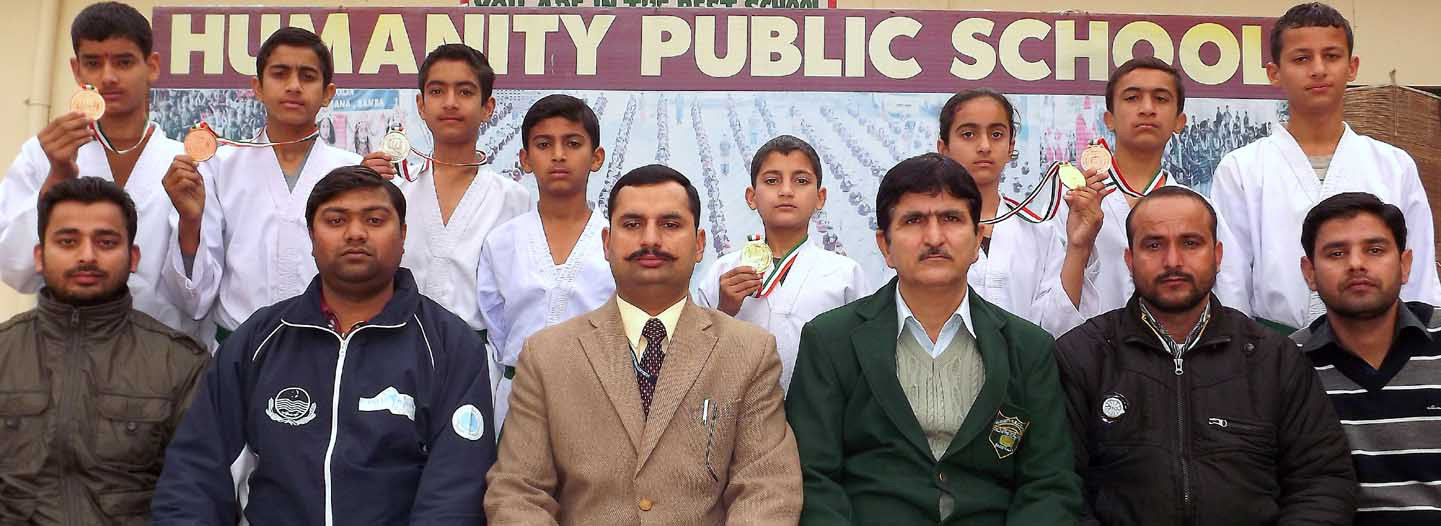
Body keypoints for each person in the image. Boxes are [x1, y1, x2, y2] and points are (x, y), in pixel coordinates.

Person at [152, 166, 495, 525]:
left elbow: (455, 490)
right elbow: (195, 471)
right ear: (312, 237)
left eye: (375, 220)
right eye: (336, 221)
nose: (356, 233)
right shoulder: (260, 339)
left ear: (403, 235)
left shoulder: (449, 345)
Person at [485, 165, 801, 525]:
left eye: (670, 224)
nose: (651, 240)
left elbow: (767, 489)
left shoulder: (749, 352)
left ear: (699, 244)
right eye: (632, 224)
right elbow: (518, 492)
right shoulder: (547, 356)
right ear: (606, 243)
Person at [786, 153, 1081, 524]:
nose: (934, 238)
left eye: (951, 219)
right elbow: (813, 478)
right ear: (885, 246)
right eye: (913, 220)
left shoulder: (1028, 348)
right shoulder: (831, 341)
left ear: (977, 239)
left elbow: (1050, 484)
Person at [1055, 185, 1355, 525]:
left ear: (1217, 255)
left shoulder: (1274, 358)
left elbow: (1322, 482)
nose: (1173, 261)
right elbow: (1061, 489)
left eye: (1190, 243)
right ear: (1129, 260)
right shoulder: (1085, 355)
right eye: (1153, 245)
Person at [1212, 2, 1441, 332]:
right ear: (1274, 73)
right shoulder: (1241, 169)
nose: (1318, 69)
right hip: (1274, 345)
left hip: (1382, 345)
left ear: (1352, 67)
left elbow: (1418, 277)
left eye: (1331, 56)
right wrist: (1243, 350)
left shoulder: (1394, 166)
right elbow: (1231, 281)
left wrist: (1418, 344)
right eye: (1301, 59)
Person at [0, 177, 207, 525]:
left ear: (133, 257)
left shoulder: (180, 364)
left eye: (106, 242)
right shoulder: (5, 353)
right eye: (67, 241)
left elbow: (197, 497)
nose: (87, 256)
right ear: (39, 256)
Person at [0, 2, 199, 338]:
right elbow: (16, 270)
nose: (108, 77)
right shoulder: (43, 153)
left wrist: (191, 222)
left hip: (165, 350)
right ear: (77, 70)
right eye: (93, 63)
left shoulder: (186, 163)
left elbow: (201, 293)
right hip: (64, 345)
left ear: (152, 66)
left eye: (124, 62)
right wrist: (57, 175)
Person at [162, 27, 362, 346]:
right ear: (258, 87)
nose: (293, 86)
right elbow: (195, 298)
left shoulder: (352, 171)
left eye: (308, 76)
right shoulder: (220, 166)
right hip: (240, 349)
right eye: (280, 74)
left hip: (330, 348)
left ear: (327, 93)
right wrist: (189, 221)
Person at [1056, 56, 1245, 321]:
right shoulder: (1075, 202)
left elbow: (1231, 297)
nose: (1147, 108)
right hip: (1091, 344)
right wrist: (1080, 246)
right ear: (1109, 119)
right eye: (1132, 98)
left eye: (1161, 98)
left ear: (1179, 122)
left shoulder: (1200, 209)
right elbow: (1048, 310)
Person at [1292, 192, 1441, 526]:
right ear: (1310, 272)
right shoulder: (1285, 363)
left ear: (1405, 264)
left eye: (1375, 250)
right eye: (1336, 253)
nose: (1356, 264)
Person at [361, 43, 529, 333]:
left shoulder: (513, 198)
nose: (450, 103)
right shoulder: (393, 187)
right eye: (437, 91)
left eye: (465, 92)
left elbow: (517, 295)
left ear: (487, 108)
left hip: (477, 351)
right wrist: (360, 194)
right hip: (392, 344)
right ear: (421, 105)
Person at [476, 94, 614, 429]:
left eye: (573, 143)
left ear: (596, 158)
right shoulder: (502, 242)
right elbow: (497, 330)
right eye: (543, 144)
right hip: (519, 399)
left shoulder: (617, 242)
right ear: (525, 159)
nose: (558, 155)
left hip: (598, 403)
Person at [694, 134, 869, 393]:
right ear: (752, 197)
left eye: (801, 181)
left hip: (823, 411)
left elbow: (864, 358)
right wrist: (724, 310)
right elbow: (694, 357)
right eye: (772, 181)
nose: (786, 191)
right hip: (739, 409)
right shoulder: (724, 271)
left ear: (820, 197)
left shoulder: (846, 275)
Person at [934, 89, 1082, 337]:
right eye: (968, 134)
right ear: (944, 148)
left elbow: (1056, 328)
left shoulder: (1039, 232)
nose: (984, 146)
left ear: (1011, 146)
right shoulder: (922, 230)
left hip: (1023, 362)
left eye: (996, 134)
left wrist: (1080, 247)